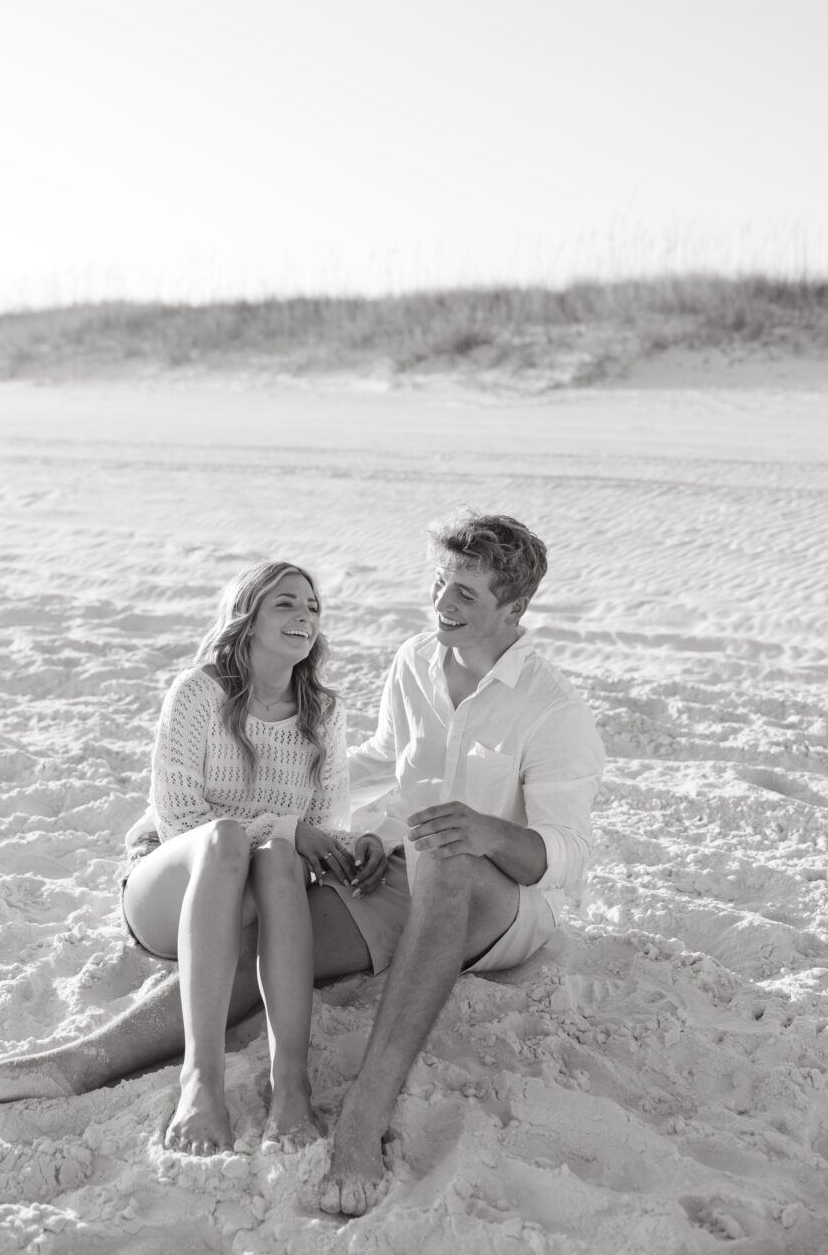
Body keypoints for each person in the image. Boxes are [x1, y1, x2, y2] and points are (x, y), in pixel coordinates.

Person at [0, 559, 394, 1155]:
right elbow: (181, 819)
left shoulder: (325, 712)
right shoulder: (199, 693)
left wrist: (354, 843)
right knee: (227, 840)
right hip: (171, 891)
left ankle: (290, 1086)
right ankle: (200, 1082)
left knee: (284, 861)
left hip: (261, 893)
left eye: (313, 607)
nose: (304, 616)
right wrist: (285, 826)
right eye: (286, 603)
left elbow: (325, 827)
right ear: (249, 616)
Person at [316, 510, 605, 1215]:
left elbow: (567, 855)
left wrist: (486, 832)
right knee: (286, 911)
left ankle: (365, 1111)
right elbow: (385, 763)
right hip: (411, 879)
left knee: (444, 845)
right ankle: (78, 1066)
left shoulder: (554, 709)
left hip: (506, 915)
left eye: (465, 594)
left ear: (514, 608)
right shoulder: (414, 660)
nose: (441, 602)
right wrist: (304, 806)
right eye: (440, 582)